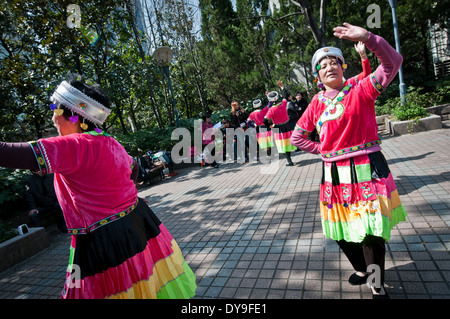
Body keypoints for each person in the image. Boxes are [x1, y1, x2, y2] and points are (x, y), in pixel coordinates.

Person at [0, 76, 197, 299]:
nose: (53, 117)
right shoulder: (110, 141)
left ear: (74, 116)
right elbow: (132, 169)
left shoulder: (72, 146)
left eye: (55, 108)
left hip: (104, 237)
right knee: (145, 284)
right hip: (138, 221)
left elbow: (6, 152)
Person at [290, 23, 407, 299]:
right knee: (341, 230)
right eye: (323, 66)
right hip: (334, 176)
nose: (330, 67)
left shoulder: (362, 89)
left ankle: (376, 284)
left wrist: (368, 38)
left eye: (335, 62)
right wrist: (324, 150)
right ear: (318, 75)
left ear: (343, 68)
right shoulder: (316, 102)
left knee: (371, 233)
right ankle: (363, 270)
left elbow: (393, 63)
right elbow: (297, 136)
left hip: (368, 168)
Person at [264, 91, 297, 166]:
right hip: (287, 125)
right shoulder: (283, 103)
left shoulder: (271, 110)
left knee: (283, 144)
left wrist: (270, 126)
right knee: (288, 143)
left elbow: (265, 120)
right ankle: (289, 160)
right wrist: (282, 88)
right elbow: (285, 96)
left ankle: (289, 161)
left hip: (278, 127)